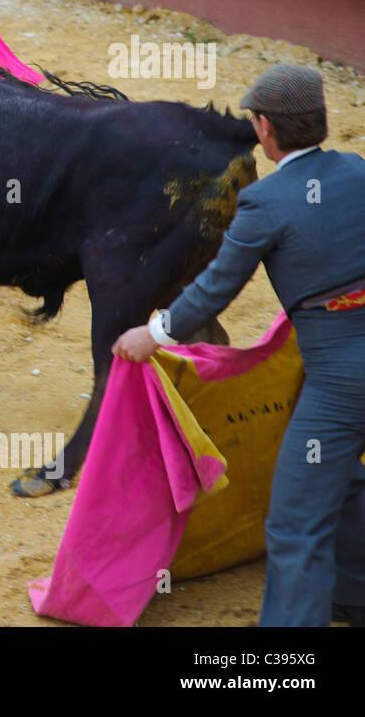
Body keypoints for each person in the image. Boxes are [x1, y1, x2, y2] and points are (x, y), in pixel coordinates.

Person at [113, 64, 365, 627]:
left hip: (340, 382)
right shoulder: (355, 170)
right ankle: (355, 593)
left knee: (297, 520)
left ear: (265, 128)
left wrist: (149, 334)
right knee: (348, 475)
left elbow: (214, 291)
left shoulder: (267, 203)